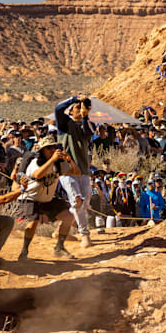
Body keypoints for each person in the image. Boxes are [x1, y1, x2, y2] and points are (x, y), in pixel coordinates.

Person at [17, 136, 80, 260]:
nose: (52, 150)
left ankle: (59, 248)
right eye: (48, 148)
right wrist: (52, 160)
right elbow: (38, 175)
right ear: (42, 150)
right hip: (31, 198)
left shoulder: (58, 164)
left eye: (54, 147)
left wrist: (69, 160)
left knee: (68, 217)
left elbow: (77, 173)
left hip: (47, 199)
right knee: (33, 222)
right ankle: (24, 252)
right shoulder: (35, 163)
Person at [54, 96, 95, 249]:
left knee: (83, 204)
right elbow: (58, 109)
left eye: (81, 106)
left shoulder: (87, 123)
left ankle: (61, 229)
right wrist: (73, 99)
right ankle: (85, 235)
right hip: (67, 170)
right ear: (70, 110)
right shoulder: (64, 124)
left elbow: (88, 134)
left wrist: (85, 115)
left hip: (84, 170)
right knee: (77, 200)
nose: (80, 108)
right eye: (77, 107)